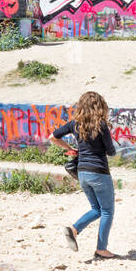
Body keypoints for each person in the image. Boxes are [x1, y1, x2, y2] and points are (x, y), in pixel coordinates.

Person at [50, 91, 119, 259]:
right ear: (99, 107)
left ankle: (74, 230)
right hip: (99, 172)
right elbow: (111, 152)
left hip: (82, 172)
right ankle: (101, 249)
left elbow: (52, 137)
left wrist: (69, 149)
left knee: (96, 209)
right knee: (107, 211)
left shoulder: (75, 124)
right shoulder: (101, 125)